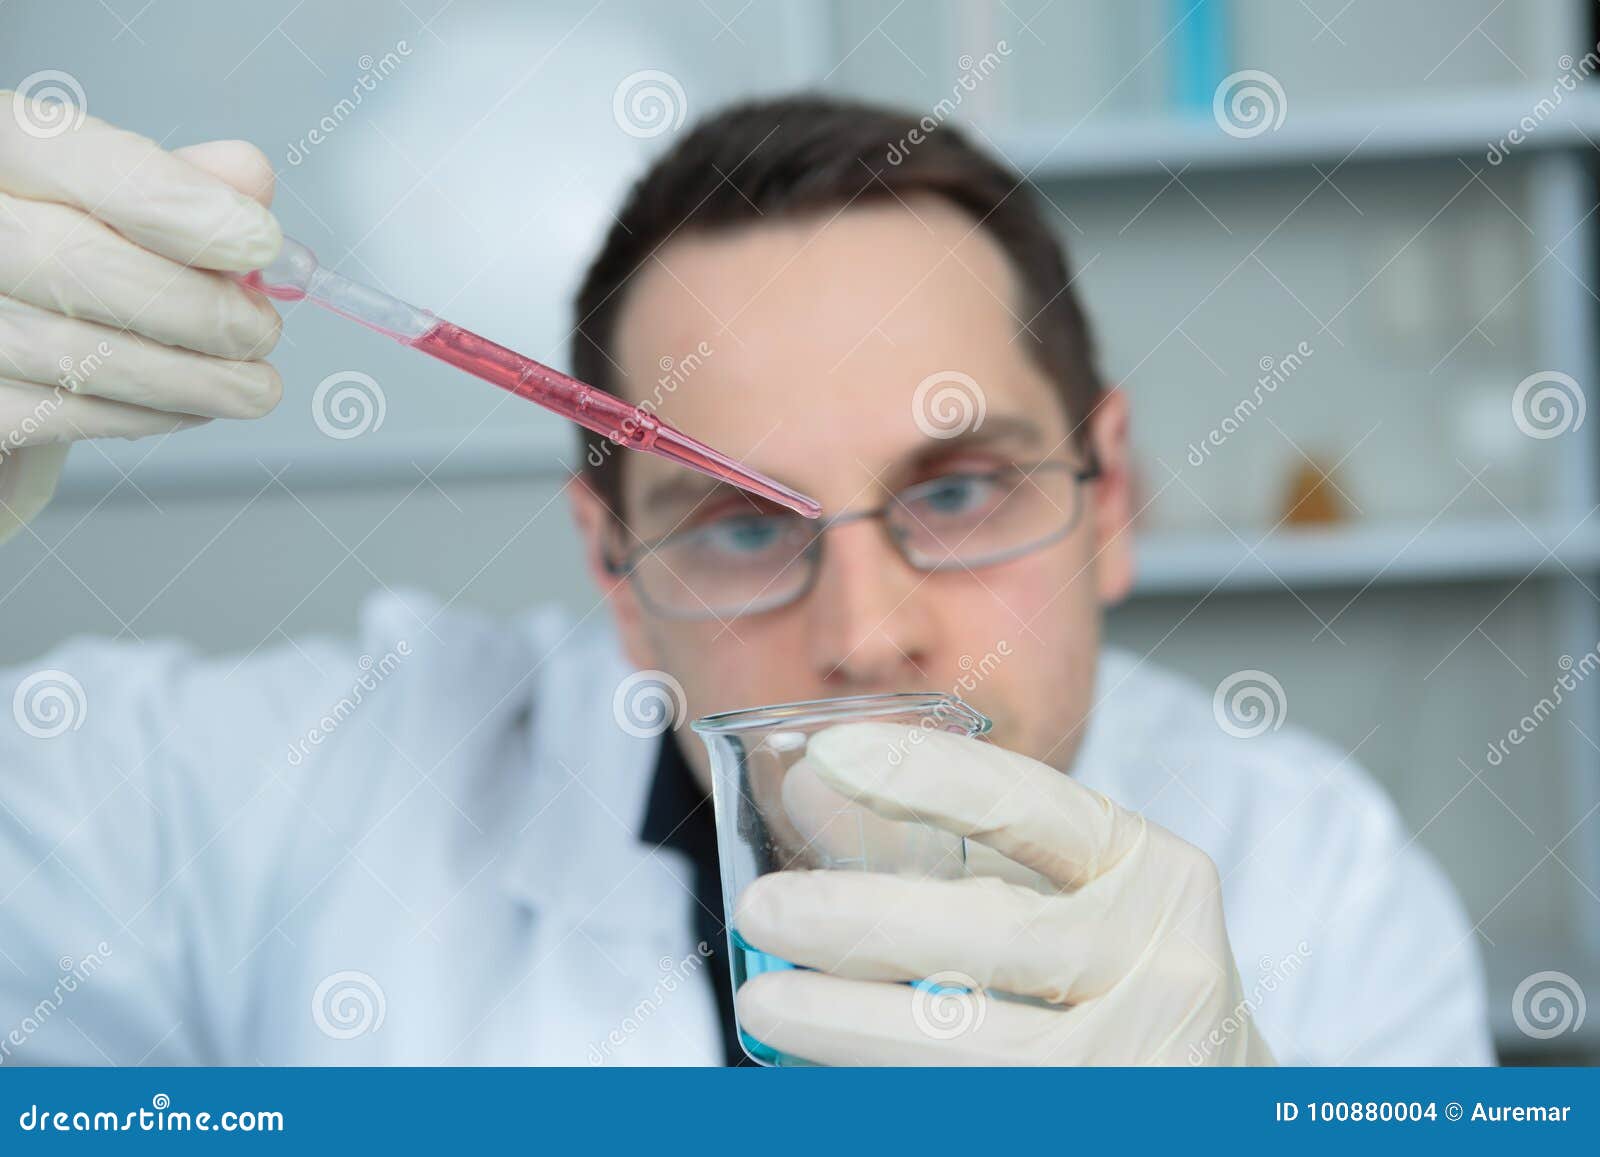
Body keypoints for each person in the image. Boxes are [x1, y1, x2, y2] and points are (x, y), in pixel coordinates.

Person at [0, 93, 1491, 1066]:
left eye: (959, 493)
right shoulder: (297, 793)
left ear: (1115, 502)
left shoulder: (1314, 884)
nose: (870, 633)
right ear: (613, 572)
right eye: (741, 523)